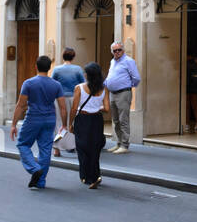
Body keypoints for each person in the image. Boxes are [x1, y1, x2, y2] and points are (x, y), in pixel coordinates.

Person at [11, 55, 62, 189]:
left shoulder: (29, 83)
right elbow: (62, 107)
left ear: (36, 66)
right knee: (45, 150)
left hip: (33, 117)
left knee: (22, 144)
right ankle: (40, 182)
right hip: (50, 119)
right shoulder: (56, 85)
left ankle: (34, 169)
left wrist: (13, 124)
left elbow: (21, 105)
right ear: (50, 67)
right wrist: (65, 125)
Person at [67, 61, 107, 189]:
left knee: (82, 147)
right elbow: (106, 108)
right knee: (95, 147)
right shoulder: (103, 89)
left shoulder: (79, 88)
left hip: (83, 119)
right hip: (97, 119)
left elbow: (74, 108)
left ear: (88, 75)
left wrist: (70, 123)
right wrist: (97, 107)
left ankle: (86, 177)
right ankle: (96, 176)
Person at [103, 42, 140, 154]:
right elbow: (111, 75)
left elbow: (136, 78)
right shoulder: (112, 61)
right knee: (115, 120)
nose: (117, 52)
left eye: (119, 50)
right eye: (115, 51)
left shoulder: (129, 61)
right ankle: (119, 143)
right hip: (112, 93)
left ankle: (125, 144)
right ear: (112, 52)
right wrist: (106, 83)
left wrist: (127, 85)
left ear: (123, 50)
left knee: (123, 119)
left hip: (123, 93)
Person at [51, 49, 86, 157]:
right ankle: (72, 146)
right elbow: (83, 84)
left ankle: (57, 148)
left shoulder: (56, 69)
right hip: (73, 98)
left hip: (59, 98)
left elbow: (52, 83)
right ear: (73, 57)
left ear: (63, 56)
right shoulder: (78, 69)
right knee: (73, 122)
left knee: (59, 123)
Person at [186, 54, 197, 133]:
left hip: (191, 84)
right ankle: (195, 123)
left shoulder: (194, 61)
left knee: (191, 104)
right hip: (192, 85)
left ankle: (190, 123)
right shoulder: (195, 61)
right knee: (192, 104)